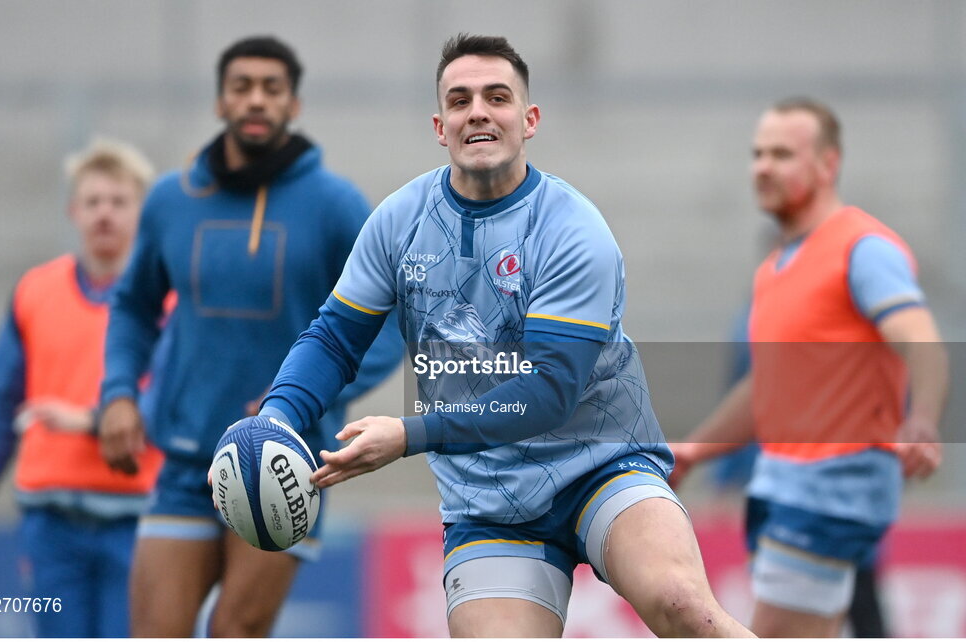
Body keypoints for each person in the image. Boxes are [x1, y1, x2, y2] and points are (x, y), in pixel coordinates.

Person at [249, 33, 753, 638]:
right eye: (460, 101)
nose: (478, 112)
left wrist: (408, 436)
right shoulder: (398, 221)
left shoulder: (573, 230)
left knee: (682, 606)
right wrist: (274, 420)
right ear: (441, 126)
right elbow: (334, 339)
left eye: (497, 97)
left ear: (528, 119)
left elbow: (547, 393)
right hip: (487, 503)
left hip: (602, 466)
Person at [98, 35, 403, 638]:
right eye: (242, 87)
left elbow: (390, 319)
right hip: (185, 458)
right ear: (220, 102)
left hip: (287, 460)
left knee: (236, 631)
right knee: (154, 630)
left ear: (294, 104)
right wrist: (118, 393)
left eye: (272, 88)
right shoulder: (170, 199)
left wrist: (305, 398)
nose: (256, 100)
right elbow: (132, 305)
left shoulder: (335, 203)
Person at [671, 98, 948, 637]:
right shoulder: (776, 267)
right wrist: (696, 450)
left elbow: (923, 342)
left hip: (830, 491)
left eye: (782, 154)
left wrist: (923, 418)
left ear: (828, 164)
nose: (763, 167)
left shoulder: (862, 248)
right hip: (783, 486)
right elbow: (771, 387)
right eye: (757, 154)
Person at [0, 138, 162, 637]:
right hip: (51, 526)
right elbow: (2, 399)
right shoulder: (34, 292)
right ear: (73, 211)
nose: (104, 213)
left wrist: (88, 420)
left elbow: (174, 402)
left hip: (139, 523)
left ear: (140, 212)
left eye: (118, 201)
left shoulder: (165, 298)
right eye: (93, 202)